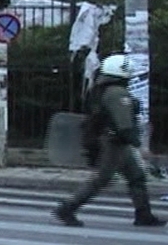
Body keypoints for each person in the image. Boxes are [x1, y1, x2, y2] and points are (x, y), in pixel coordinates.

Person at [53, 53, 166, 227]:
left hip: (114, 140)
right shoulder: (117, 93)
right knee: (102, 179)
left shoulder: (103, 90)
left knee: (136, 176)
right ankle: (67, 208)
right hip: (114, 143)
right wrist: (136, 142)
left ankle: (144, 214)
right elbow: (123, 123)